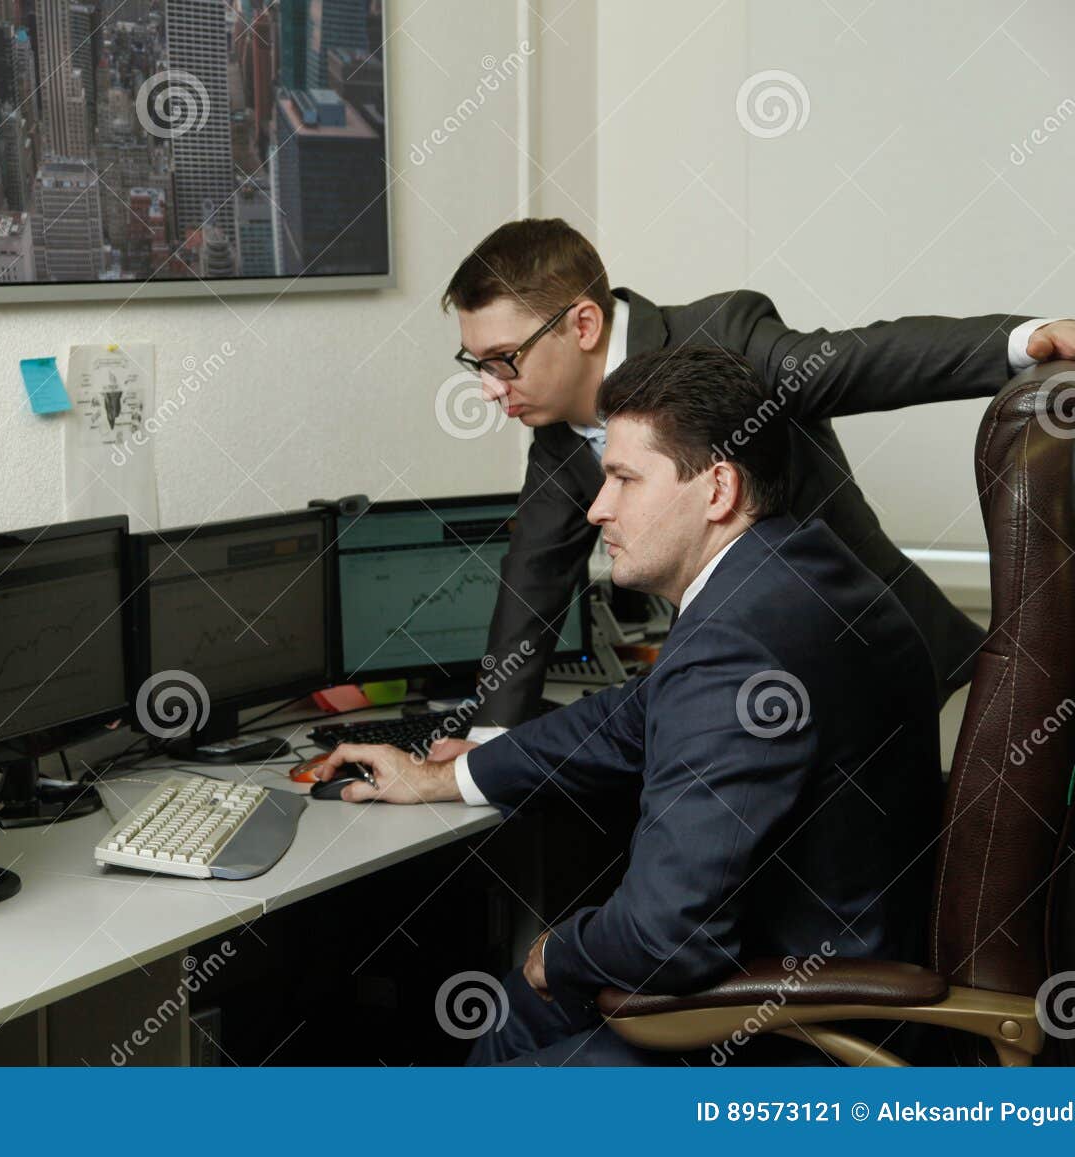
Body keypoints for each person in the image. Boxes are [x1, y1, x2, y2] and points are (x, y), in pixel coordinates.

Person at [316, 346, 943, 1065]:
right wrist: (447, 775)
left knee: (522, 1023)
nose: (596, 507)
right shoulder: (792, 570)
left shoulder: (739, 641)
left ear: (717, 490)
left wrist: (560, 946)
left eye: (623, 479)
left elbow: (668, 937)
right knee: (522, 1005)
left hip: (800, 1028)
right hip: (834, 958)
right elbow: (630, 714)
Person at [445, 218, 1075, 727]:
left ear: (583, 323)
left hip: (897, 677)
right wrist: (485, 740)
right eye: (476, 364)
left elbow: (859, 361)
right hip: (747, 698)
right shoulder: (555, 430)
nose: (490, 388)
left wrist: (1022, 337)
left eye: (503, 357)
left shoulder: (724, 336)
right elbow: (532, 581)